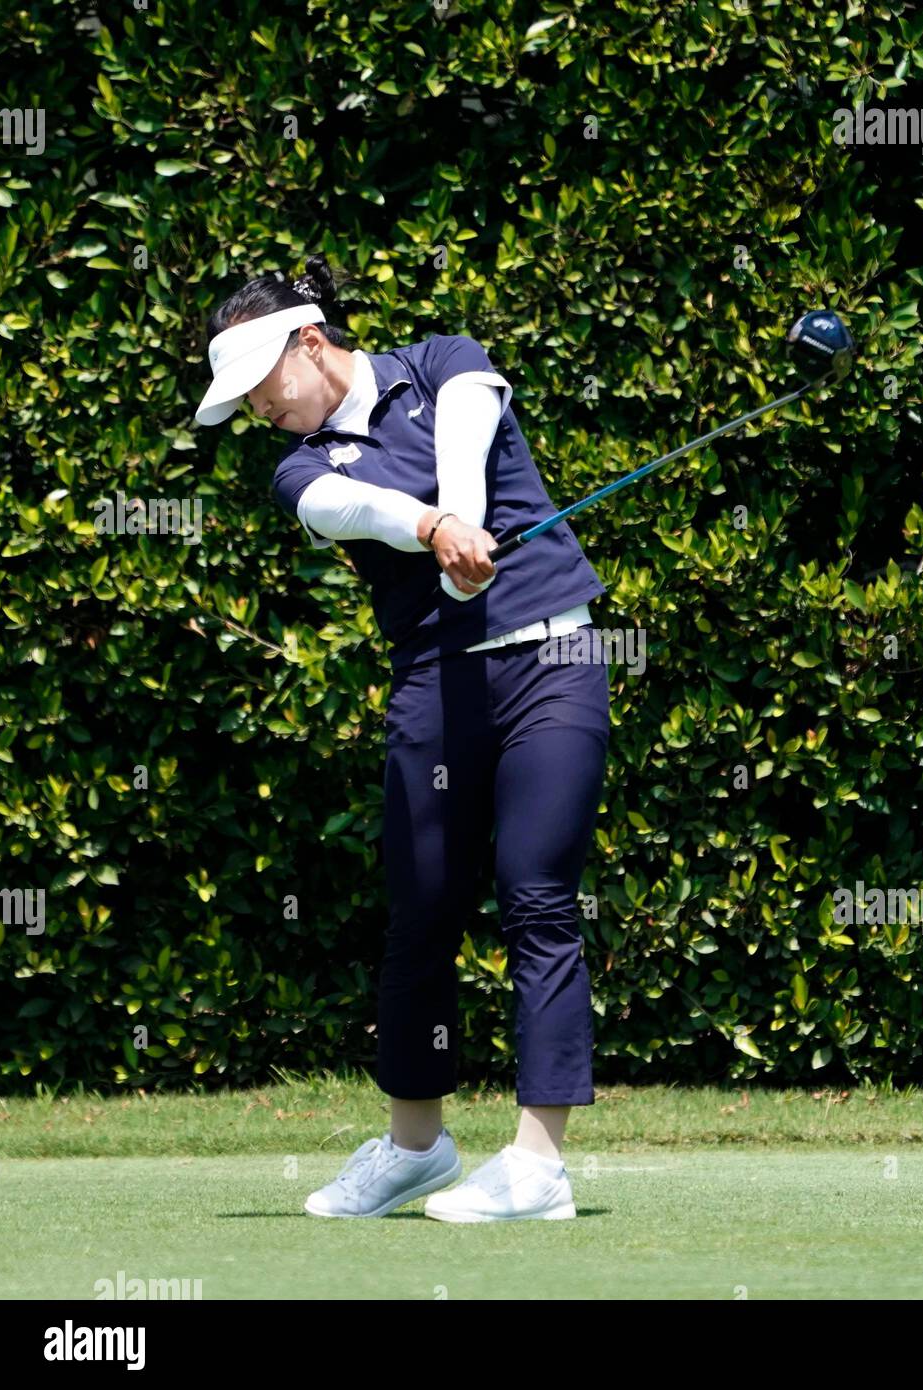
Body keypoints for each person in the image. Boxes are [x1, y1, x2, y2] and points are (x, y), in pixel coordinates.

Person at [195, 254, 611, 1221]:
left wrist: (459, 518)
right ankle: (415, 1146)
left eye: (260, 387)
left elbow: (468, 428)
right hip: (436, 685)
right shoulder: (299, 470)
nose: (259, 411)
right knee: (420, 909)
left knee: (538, 896)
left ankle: (538, 1165)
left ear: (308, 341)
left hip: (552, 663)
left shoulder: (440, 363)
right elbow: (360, 509)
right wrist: (433, 530)